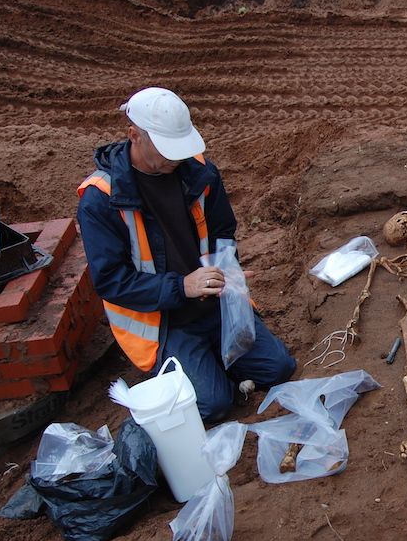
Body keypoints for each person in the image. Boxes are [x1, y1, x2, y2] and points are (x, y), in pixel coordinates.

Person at [77, 87, 297, 422]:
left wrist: (227, 267)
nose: (175, 159)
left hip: (217, 304)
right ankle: (206, 372)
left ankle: (213, 366)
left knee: (280, 368)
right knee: (214, 404)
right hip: (164, 322)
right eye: (166, 150)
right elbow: (110, 281)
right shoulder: (101, 199)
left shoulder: (198, 172)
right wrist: (182, 287)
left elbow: (223, 230)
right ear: (133, 135)